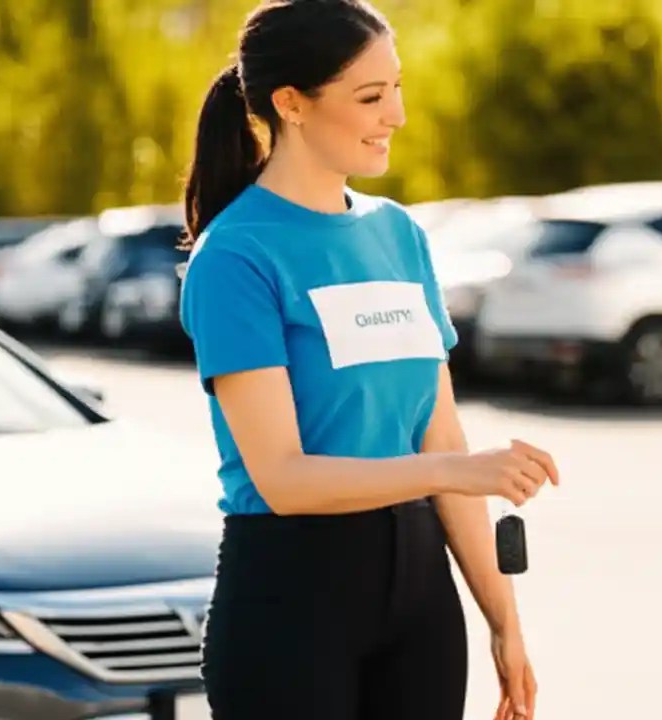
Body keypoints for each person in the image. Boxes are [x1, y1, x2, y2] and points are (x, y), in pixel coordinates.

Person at [177, 2, 558, 719]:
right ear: (291, 103)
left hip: (420, 598)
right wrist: (454, 471)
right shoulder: (235, 256)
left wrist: (504, 621)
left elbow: (441, 437)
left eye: (397, 87)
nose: (398, 114)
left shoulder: (399, 233)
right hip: (290, 602)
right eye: (371, 96)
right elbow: (284, 478)